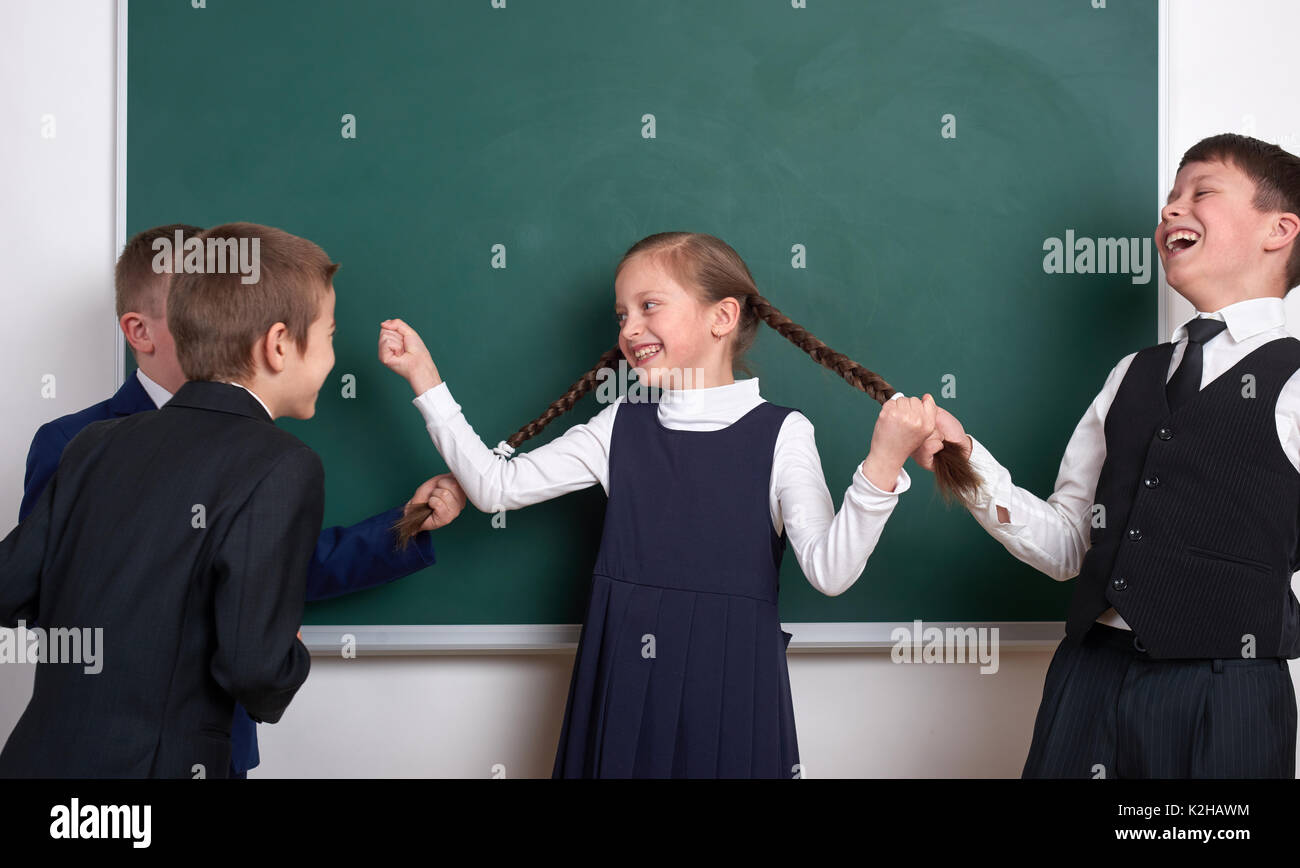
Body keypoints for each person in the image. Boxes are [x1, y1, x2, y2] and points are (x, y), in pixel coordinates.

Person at [378, 231, 941, 777]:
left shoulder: (783, 433)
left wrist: (884, 465)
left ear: (722, 317)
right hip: (621, 676)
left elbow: (830, 570)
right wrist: (424, 378)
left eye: (649, 306)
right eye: (622, 315)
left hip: (728, 687)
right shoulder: (619, 423)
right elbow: (496, 488)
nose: (630, 328)